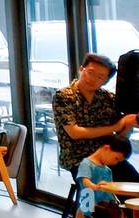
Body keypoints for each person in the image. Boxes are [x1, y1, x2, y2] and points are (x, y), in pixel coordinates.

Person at [52, 54, 139, 183]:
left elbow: (121, 134)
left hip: (108, 155)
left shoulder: (108, 98)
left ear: (105, 81)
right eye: (90, 72)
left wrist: (128, 124)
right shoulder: (64, 96)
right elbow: (75, 133)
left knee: (135, 186)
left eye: (100, 77)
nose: (92, 79)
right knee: (104, 192)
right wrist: (117, 126)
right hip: (78, 158)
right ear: (81, 69)